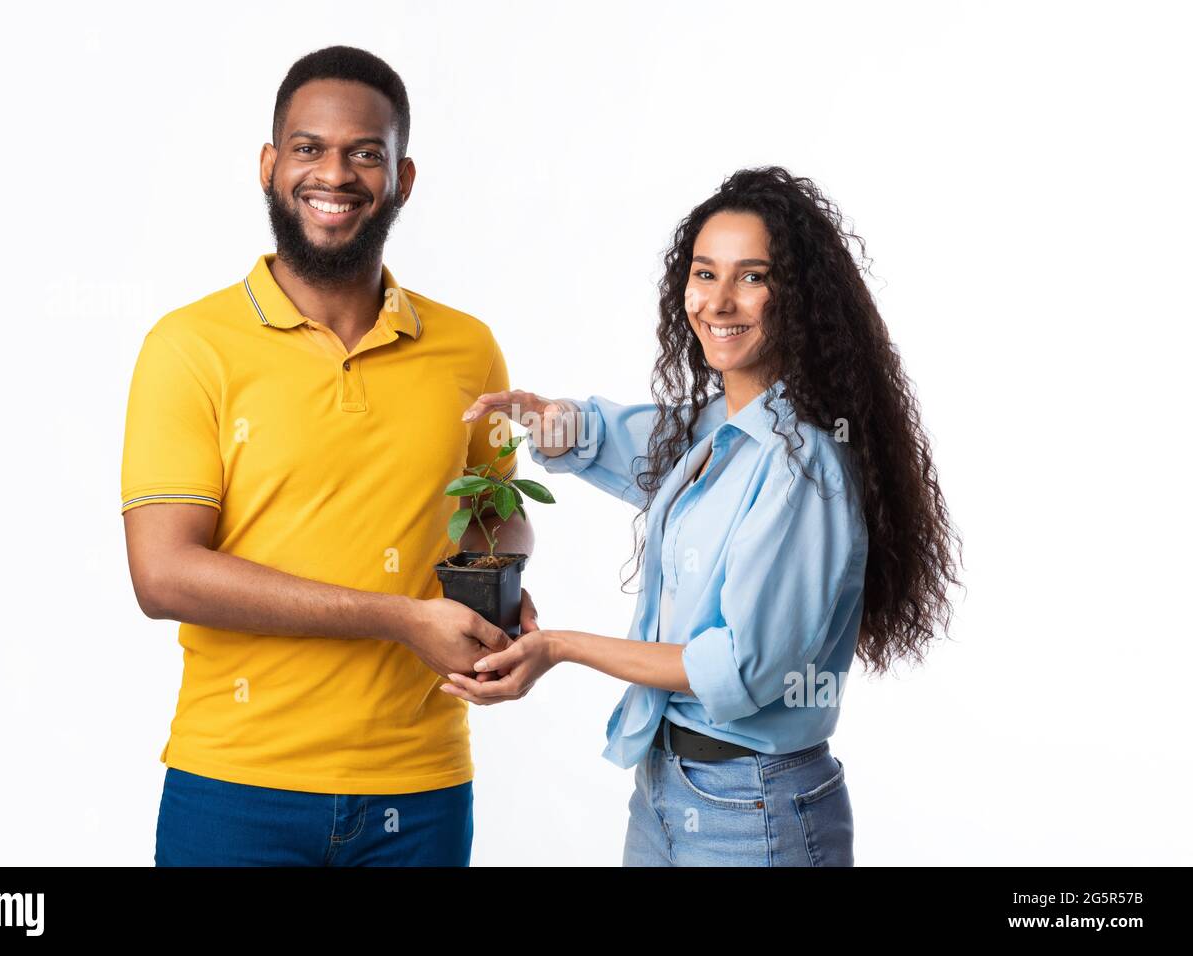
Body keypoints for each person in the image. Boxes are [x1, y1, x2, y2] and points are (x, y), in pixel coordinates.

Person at [449, 166, 962, 866]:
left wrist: (560, 646)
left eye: (752, 277)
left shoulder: (803, 465)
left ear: (798, 298)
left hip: (753, 811)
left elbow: (738, 669)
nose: (719, 301)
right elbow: (632, 443)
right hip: (666, 788)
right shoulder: (721, 425)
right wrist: (548, 418)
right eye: (704, 273)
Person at [120, 46, 536, 866]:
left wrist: (503, 601)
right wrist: (400, 619)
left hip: (419, 789)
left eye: (365, 153)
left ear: (402, 177)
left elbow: (497, 511)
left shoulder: (466, 346)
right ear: (271, 166)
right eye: (309, 149)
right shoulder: (189, 346)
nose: (335, 174)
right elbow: (162, 574)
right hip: (235, 785)